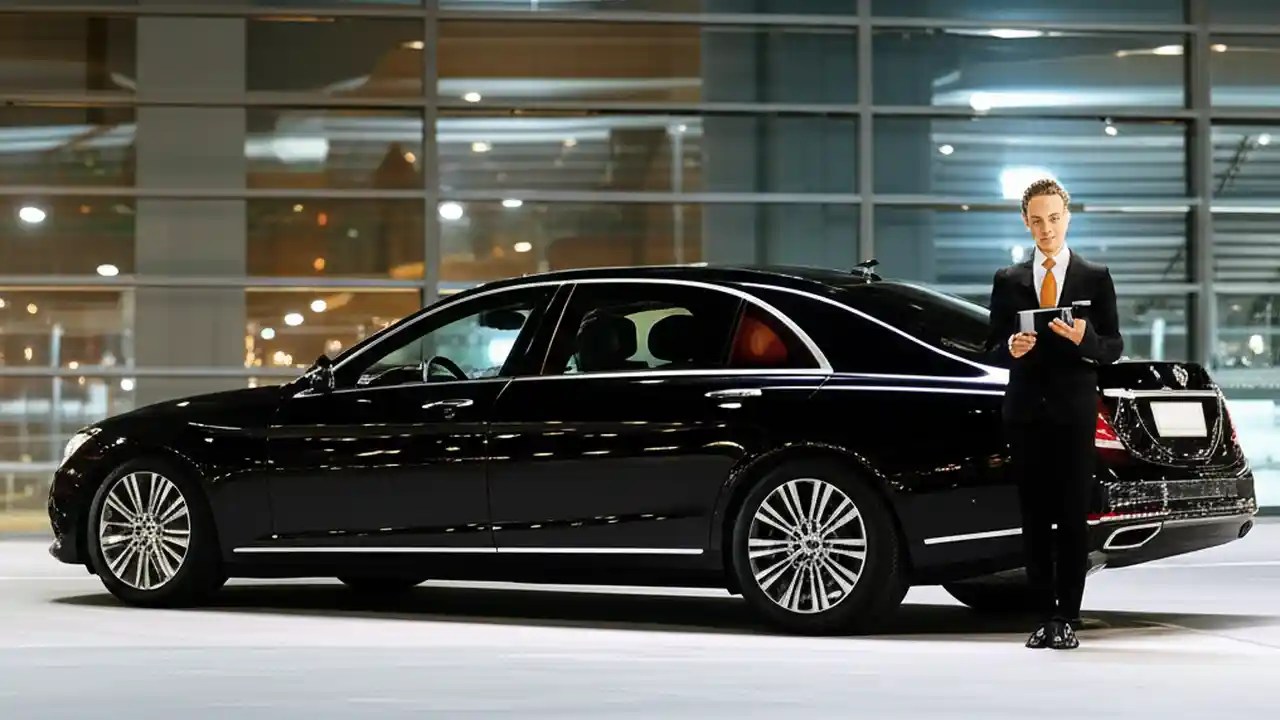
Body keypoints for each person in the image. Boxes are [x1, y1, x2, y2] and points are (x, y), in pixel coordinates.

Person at [985, 178, 1124, 650]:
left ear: (1067, 218)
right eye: (1037, 220)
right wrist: (1011, 347)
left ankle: (1067, 616)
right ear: (1026, 222)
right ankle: (1043, 616)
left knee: (1070, 517)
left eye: (1054, 219)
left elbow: (1113, 349)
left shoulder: (1095, 276)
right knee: (1034, 518)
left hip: (1074, 411)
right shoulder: (1008, 280)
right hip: (1024, 412)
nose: (1046, 229)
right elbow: (991, 348)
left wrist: (1084, 338)